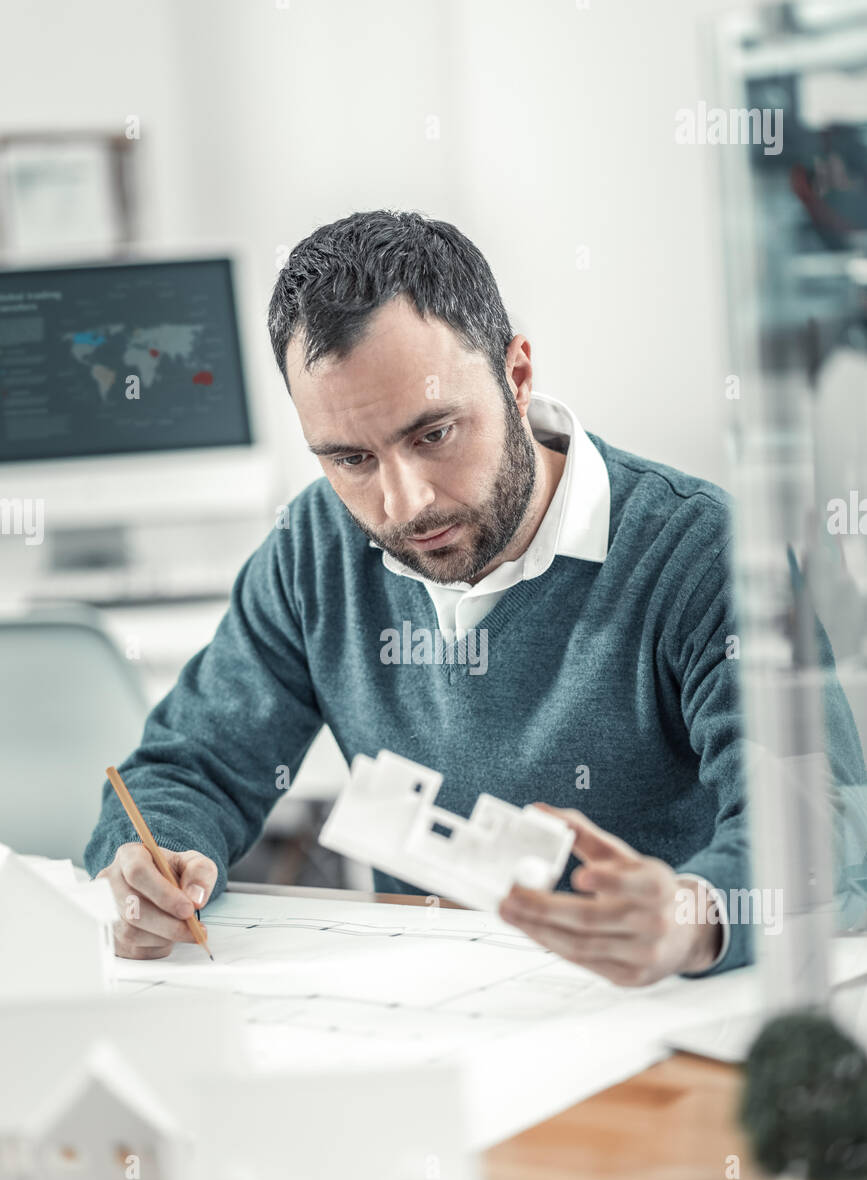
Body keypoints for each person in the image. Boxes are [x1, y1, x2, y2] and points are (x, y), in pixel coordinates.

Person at [86, 209, 770, 983]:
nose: (404, 505)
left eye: (433, 434)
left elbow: (820, 821)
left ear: (515, 377)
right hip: (428, 1025)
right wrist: (152, 860)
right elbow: (190, 768)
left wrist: (692, 917)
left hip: (653, 1021)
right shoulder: (318, 543)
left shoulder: (700, 549)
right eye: (349, 458)